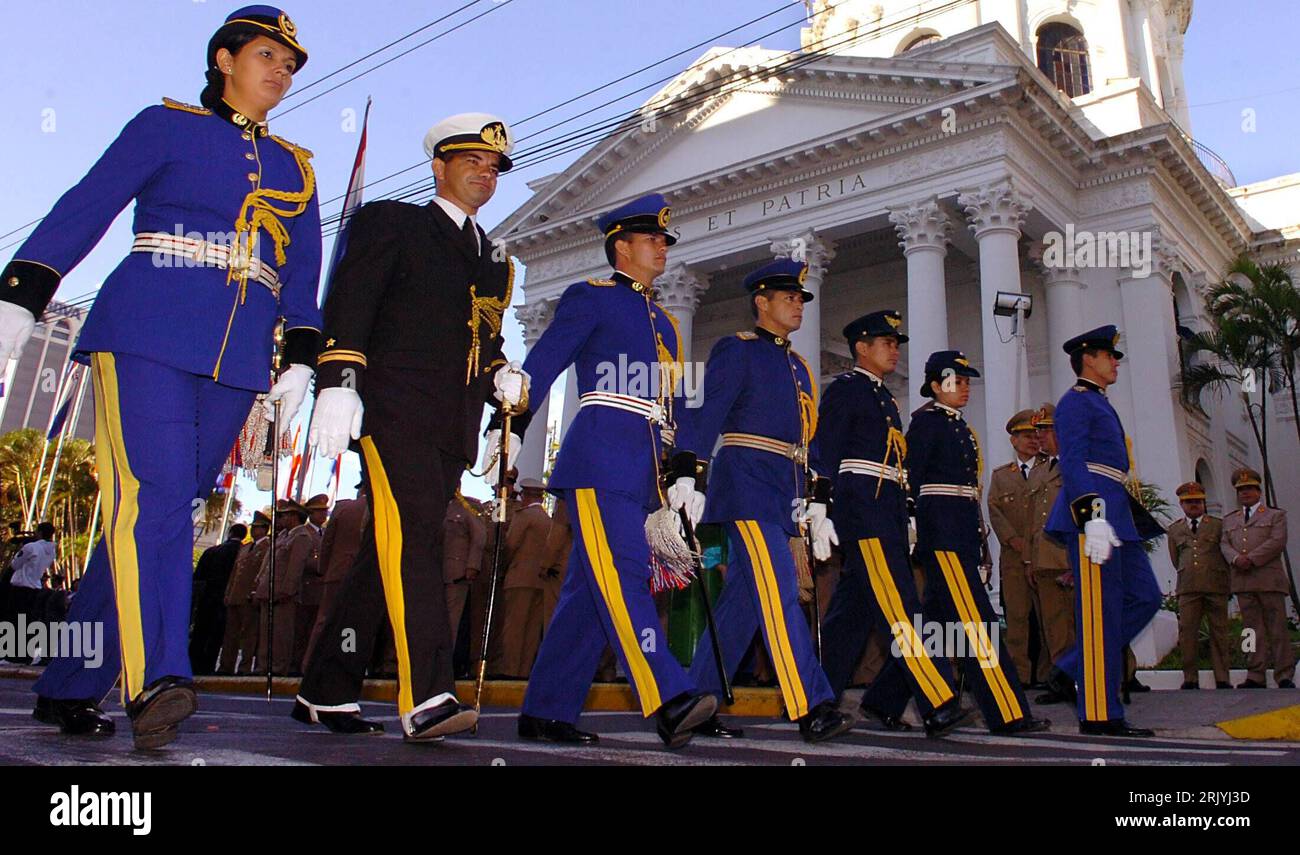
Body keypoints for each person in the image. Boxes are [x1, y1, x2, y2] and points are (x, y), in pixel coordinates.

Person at [13, 6, 321, 749]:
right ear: (224, 59)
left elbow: (304, 270)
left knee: (159, 515)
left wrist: (306, 358)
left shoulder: (296, 167)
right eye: (267, 56)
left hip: (236, 357)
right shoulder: (166, 125)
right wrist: (22, 291)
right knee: (148, 500)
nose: (280, 72)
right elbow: (89, 202)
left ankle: (70, 680)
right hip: (146, 329)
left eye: (289, 64)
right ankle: (159, 676)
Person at [295, 112, 525, 740]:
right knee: (418, 540)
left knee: (387, 549)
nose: (485, 173)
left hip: (454, 419)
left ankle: (326, 685)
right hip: (393, 409)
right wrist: (339, 382)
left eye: (494, 167)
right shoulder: (393, 223)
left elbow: (485, 336)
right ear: (440, 165)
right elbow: (352, 299)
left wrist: (504, 376)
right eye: (473, 161)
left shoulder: (495, 260)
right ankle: (427, 694)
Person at [503, 193, 717, 748]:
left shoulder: (666, 323)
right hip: (599, 459)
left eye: (666, 241)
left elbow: (677, 399)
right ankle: (667, 693)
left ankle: (546, 708)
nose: (663, 249)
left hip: (644, 470)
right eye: (652, 240)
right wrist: (512, 427)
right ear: (621, 246)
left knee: (589, 591)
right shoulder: (590, 298)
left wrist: (684, 471)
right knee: (621, 574)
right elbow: (545, 359)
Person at [668, 258, 851, 742]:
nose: (798, 305)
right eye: (788, 297)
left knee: (744, 602)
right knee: (780, 589)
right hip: (746, 484)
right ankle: (810, 704)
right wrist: (688, 470)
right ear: (761, 302)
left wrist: (818, 497)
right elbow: (705, 410)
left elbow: (809, 439)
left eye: (800, 299)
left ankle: (695, 700)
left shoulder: (799, 366)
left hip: (785, 490)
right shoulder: (737, 350)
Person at [809, 311, 967, 737]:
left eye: (896, 342)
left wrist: (908, 511)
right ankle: (937, 700)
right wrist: (820, 501)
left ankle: (814, 696)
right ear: (862, 347)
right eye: (886, 342)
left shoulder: (884, 397)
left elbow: (897, 464)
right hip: (863, 512)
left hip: (887, 513)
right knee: (901, 606)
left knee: (851, 616)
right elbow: (826, 447)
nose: (895, 349)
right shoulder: (847, 390)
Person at [905, 351, 1047, 734]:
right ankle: (1007, 711)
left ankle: (883, 699)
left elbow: (968, 490)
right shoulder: (926, 424)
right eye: (956, 381)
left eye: (967, 381)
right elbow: (911, 482)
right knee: (977, 622)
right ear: (936, 386)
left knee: (934, 628)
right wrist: (915, 528)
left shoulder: (958, 427)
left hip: (961, 534)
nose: (964, 387)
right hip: (942, 534)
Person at [1044, 326, 1163, 737]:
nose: (1115, 362)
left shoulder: (1097, 401)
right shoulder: (1075, 403)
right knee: (1099, 613)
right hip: (1095, 513)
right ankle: (1099, 713)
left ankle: (1071, 668)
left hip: (1117, 512)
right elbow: (1073, 462)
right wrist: (1091, 516)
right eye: (1109, 356)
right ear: (1088, 359)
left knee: (1146, 596)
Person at [1221, 467, 1295, 689]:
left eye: (1250, 489)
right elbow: (1224, 543)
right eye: (1241, 490)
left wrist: (1251, 559)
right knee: (1250, 630)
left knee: (1277, 627)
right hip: (1243, 581)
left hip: (1268, 580)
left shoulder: (1275, 515)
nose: (1245, 493)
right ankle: (1255, 673)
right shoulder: (1229, 520)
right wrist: (1235, 559)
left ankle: (1283, 673)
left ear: (1259, 491)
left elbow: (1277, 541)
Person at [987, 409, 1045, 686]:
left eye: (1036, 435)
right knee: (1017, 618)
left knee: (1049, 619)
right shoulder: (1002, 476)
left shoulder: (1050, 470)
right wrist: (1014, 540)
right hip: (1013, 558)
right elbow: (995, 511)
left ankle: (1049, 675)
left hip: (1045, 554)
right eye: (1025, 436)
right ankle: (1020, 674)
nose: (1032, 441)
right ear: (1014, 441)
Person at [1024, 405, 1076, 700]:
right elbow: (1033, 520)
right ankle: (1061, 681)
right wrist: (1030, 560)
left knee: (1078, 623)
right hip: (1044, 559)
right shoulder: (1040, 470)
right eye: (1038, 431)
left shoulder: (1075, 466)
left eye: (1045, 430)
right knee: (1054, 626)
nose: (1040, 436)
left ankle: (1093, 678)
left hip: (1068, 557)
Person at [1165, 481, 1232, 689]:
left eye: (1197, 501)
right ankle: (1190, 678)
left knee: (1219, 632)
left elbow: (1225, 553)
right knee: (1188, 633)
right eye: (1188, 502)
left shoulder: (1218, 525)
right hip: (1188, 586)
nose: (1193, 505)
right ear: (1182, 504)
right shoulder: (1175, 529)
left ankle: (1222, 677)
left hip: (1215, 584)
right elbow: (1176, 559)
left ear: (1203, 502)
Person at [494, 478, 550, 678]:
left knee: (514, 627)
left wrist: (501, 568)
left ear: (524, 495)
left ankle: (510, 670)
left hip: (519, 577)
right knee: (532, 630)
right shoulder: (547, 520)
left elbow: (510, 545)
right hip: (540, 581)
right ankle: (524, 672)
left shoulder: (524, 516)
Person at [304, 485, 367, 663]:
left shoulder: (343, 508)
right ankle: (343, 662)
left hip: (336, 572)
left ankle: (311, 663)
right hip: (361, 576)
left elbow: (327, 543)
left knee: (324, 620)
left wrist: (324, 569)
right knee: (351, 623)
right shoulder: (380, 509)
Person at [254, 498, 311, 675]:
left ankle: (277, 668)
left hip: (282, 595)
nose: (280, 519)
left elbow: (295, 567)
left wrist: (286, 591)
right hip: (268, 592)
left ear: (294, 516)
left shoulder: (301, 536)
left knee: (280, 635)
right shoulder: (283, 536)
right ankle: (264, 667)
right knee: (266, 633)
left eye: (284, 515)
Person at [189, 523, 247, 674]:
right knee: (218, 635)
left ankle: (194, 663)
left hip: (208, 597)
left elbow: (198, 577)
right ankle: (208, 665)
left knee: (201, 633)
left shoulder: (213, 551)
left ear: (230, 533)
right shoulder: (243, 553)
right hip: (228, 599)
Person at [218, 510, 271, 674]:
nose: (253, 531)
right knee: (230, 634)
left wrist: (255, 592)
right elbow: (235, 572)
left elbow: (262, 572)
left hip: (249, 597)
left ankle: (244, 667)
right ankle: (226, 665)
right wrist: (228, 592)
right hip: (236, 595)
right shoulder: (246, 547)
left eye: (257, 528)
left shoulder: (267, 547)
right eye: (253, 527)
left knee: (249, 635)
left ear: (264, 529)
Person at [443, 487, 486, 657]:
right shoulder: (439, 504)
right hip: (435, 570)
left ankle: (446, 659)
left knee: (451, 620)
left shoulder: (467, 507)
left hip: (457, 572)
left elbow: (479, 537)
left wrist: (472, 565)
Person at [291, 494, 329, 670]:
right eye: (319, 512)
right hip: (306, 587)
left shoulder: (324, 533)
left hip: (319, 590)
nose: (323, 515)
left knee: (312, 630)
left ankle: (306, 663)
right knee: (300, 630)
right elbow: (300, 561)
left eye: (325, 511)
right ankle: (295, 664)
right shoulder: (304, 533)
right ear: (310, 513)